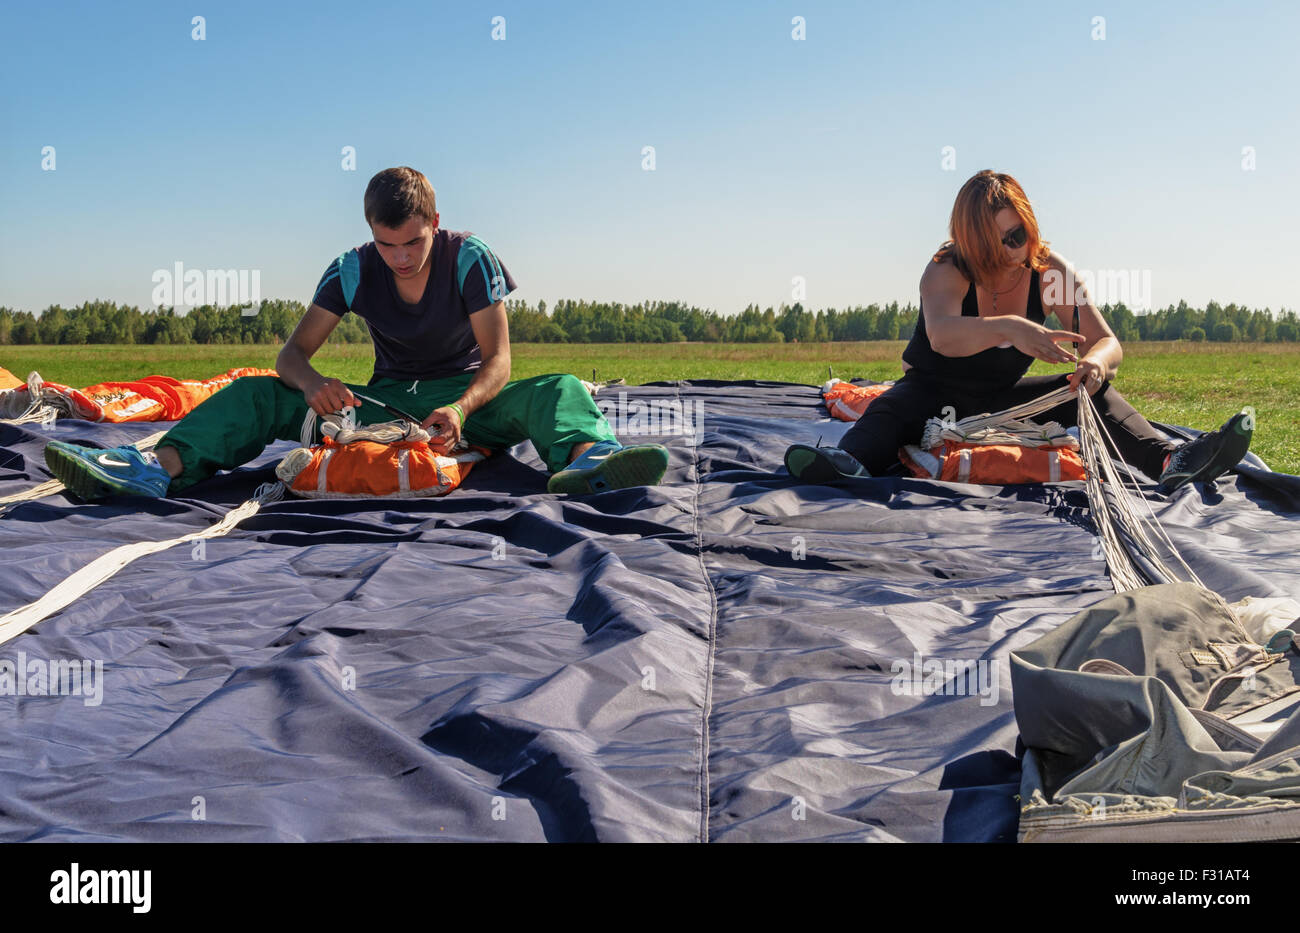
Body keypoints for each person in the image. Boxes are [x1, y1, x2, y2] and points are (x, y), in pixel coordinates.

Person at [44, 167, 668, 500]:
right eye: (385, 244)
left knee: (557, 388)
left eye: (413, 243)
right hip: (388, 400)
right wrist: (312, 383)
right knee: (255, 394)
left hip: (465, 404)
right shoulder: (349, 267)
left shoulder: (472, 257)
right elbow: (292, 354)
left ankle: (592, 463)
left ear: (436, 224)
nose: (399, 257)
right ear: (370, 232)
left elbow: (500, 360)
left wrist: (460, 405)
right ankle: (153, 469)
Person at [785, 170, 1253, 489]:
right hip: (935, 392)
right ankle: (846, 467)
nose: (1013, 250)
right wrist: (1011, 326)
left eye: (1020, 234)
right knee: (892, 409)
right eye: (999, 242)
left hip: (1002, 398)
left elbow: (1109, 343)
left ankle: (1171, 461)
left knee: (1089, 394)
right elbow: (943, 335)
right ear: (971, 244)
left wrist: (1094, 363)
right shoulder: (945, 269)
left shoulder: (1049, 271)